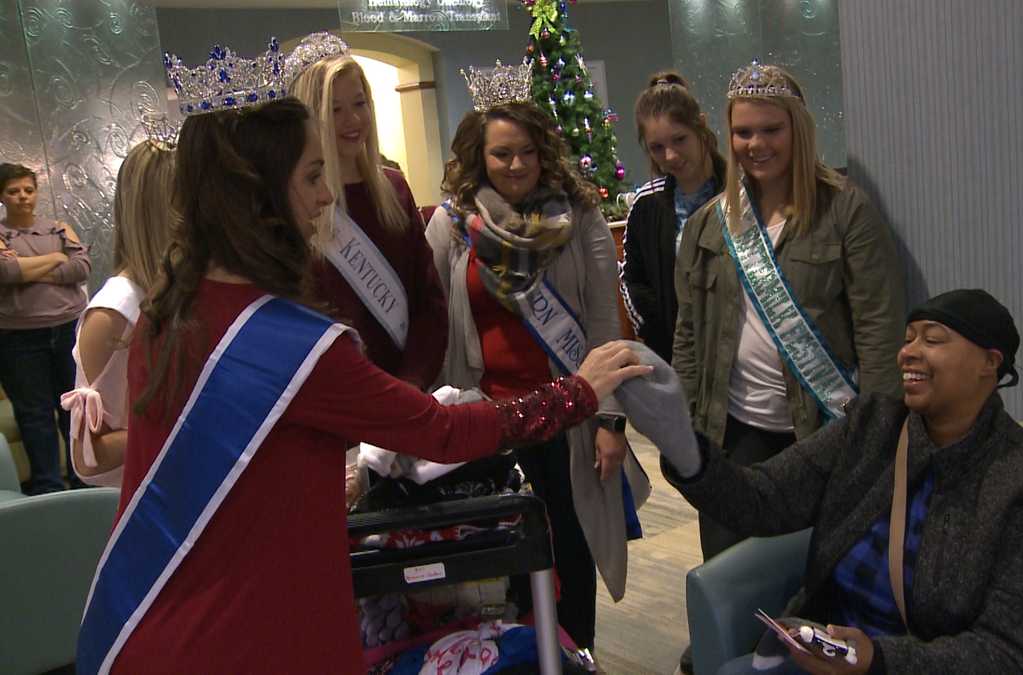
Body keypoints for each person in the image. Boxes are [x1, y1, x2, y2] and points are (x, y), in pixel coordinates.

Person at [75, 46, 649, 674]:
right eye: (311, 176)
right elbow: (444, 431)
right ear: (258, 196)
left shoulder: (167, 310)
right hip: (246, 630)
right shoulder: (295, 346)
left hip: (137, 615)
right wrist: (579, 393)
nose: (327, 196)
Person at [633, 289, 1023, 674]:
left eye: (933, 339)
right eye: (908, 338)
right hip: (827, 649)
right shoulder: (872, 426)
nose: (908, 352)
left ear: (989, 363)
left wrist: (879, 659)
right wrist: (681, 445)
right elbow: (763, 499)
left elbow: (1007, 652)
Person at [426, 61, 649, 654]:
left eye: (526, 151)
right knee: (501, 562)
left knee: (570, 549)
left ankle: (576, 656)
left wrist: (610, 421)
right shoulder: (452, 225)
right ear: (480, 157)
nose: (516, 165)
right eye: (502, 154)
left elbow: (603, 323)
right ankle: (520, 659)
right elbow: (432, 324)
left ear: (543, 151)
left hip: (568, 418)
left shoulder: (579, 216)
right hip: (486, 419)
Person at [673, 62, 906, 563]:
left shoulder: (846, 211)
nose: (756, 144)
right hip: (730, 433)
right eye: (743, 132)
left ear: (797, 129)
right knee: (730, 574)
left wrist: (877, 437)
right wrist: (684, 427)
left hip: (821, 433)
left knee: (813, 575)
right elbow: (688, 335)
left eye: (771, 129)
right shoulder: (707, 224)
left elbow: (880, 330)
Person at [288, 32, 447, 389]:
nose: (353, 120)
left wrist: (412, 382)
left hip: (408, 392)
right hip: (339, 394)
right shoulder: (297, 202)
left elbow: (429, 301)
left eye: (359, 104)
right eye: (335, 110)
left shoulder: (394, 189)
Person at [60, 139, 176, 488]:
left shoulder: (184, 291)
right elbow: (88, 457)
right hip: (142, 496)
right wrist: (182, 423)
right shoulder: (113, 314)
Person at [619, 71, 726, 363]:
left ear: (701, 126)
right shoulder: (646, 205)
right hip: (673, 357)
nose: (670, 156)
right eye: (657, 147)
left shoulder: (740, 192)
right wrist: (661, 337)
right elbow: (633, 281)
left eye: (679, 140)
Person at [0, 162, 91, 493]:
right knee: (35, 415)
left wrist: (26, 270)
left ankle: (84, 483)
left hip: (67, 329)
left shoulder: (59, 228)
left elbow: (81, 267)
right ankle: (48, 491)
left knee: (75, 409)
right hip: (18, 339)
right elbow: (5, 273)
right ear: (2, 196)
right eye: (13, 191)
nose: (23, 196)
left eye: (29, 189)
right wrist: (56, 259)